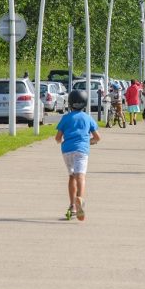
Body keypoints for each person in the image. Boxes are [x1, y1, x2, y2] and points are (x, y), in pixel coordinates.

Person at [56, 90, 101, 221]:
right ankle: (79, 200)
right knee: (80, 176)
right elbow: (97, 137)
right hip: (82, 150)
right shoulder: (87, 118)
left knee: (71, 176)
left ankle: (72, 205)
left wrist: (61, 141)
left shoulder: (65, 118)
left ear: (70, 103)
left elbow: (58, 138)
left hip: (67, 151)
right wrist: (90, 141)